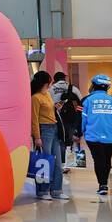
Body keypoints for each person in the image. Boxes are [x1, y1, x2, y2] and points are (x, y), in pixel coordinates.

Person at [82, 73, 112, 201]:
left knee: (98, 160)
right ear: (107, 87)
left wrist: (80, 132)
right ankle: (104, 184)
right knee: (107, 160)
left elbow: (83, 119)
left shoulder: (87, 100)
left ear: (93, 86)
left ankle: (102, 184)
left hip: (92, 136)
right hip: (110, 136)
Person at [31, 71, 67, 201]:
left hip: (54, 128)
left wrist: (56, 107)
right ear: (44, 83)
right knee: (44, 162)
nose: (50, 84)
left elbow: (49, 111)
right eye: (49, 82)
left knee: (57, 163)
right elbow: (34, 118)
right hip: (44, 130)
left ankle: (57, 190)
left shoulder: (47, 94)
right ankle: (43, 190)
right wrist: (37, 136)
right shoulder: (35, 98)